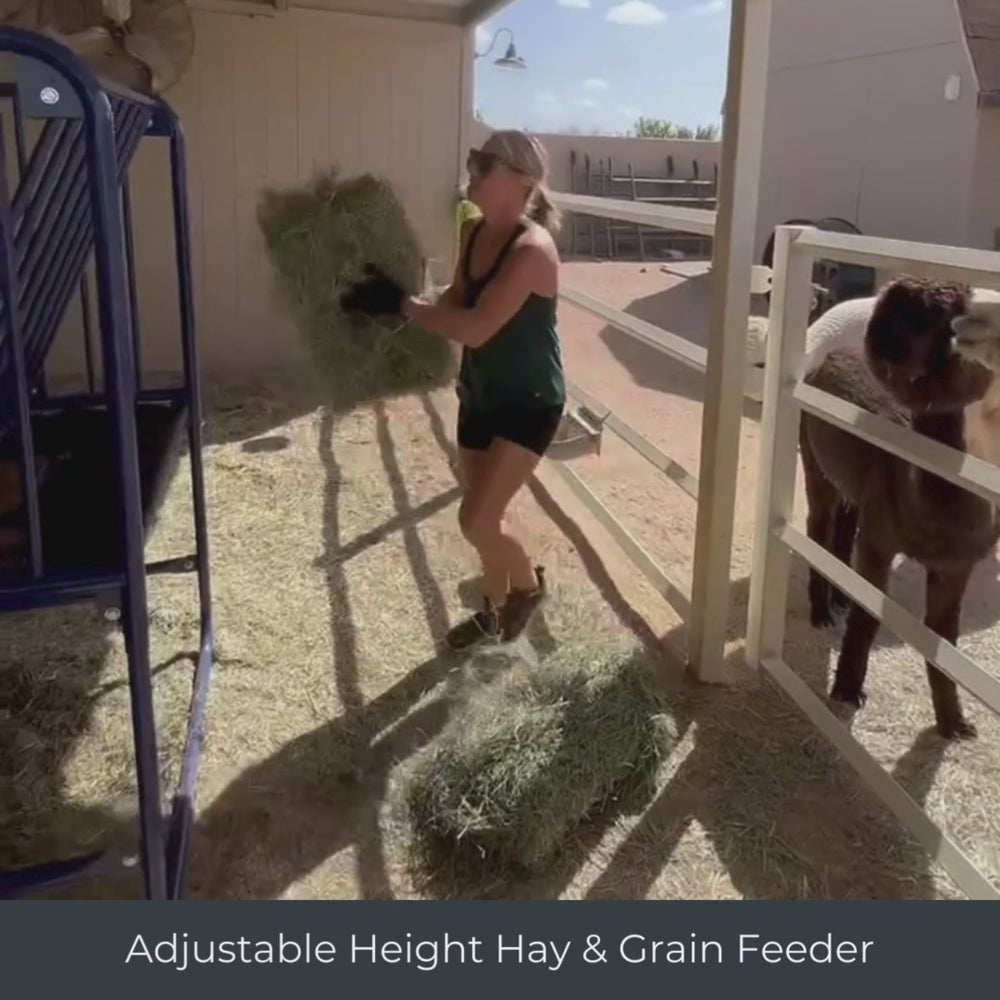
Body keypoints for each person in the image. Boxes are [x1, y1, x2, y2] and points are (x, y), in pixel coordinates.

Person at [339, 129, 566, 651]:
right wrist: (400, 298)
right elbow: (457, 301)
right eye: (473, 159)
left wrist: (403, 307)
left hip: (530, 402)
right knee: (485, 521)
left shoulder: (534, 250)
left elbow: (477, 328)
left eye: (484, 163)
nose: (473, 170)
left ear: (521, 181)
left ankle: (527, 589)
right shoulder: (474, 234)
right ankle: (491, 615)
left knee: (476, 519)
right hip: (481, 392)